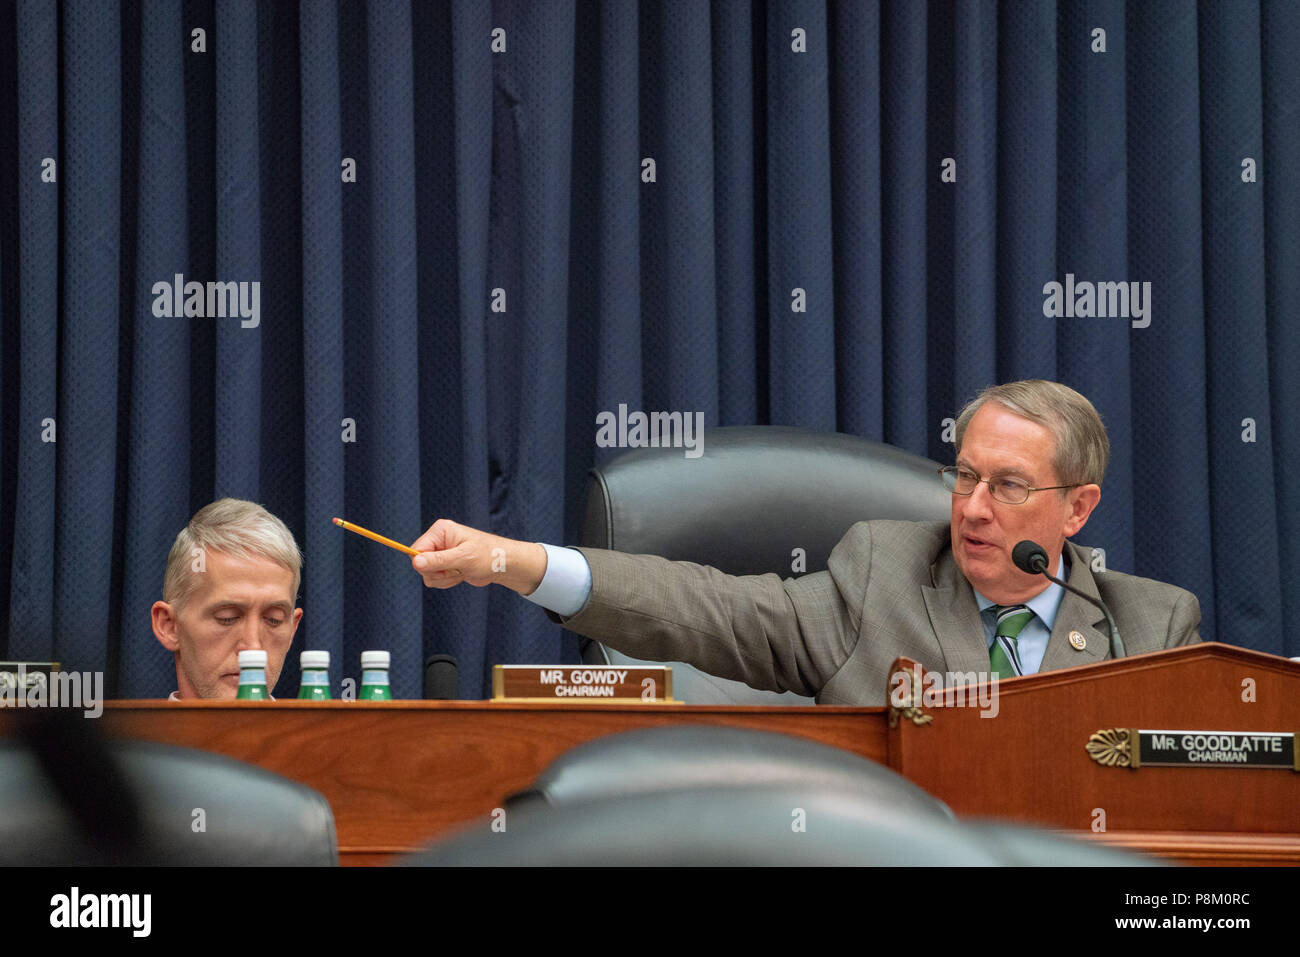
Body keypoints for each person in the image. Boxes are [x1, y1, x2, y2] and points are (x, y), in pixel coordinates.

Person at [407, 380, 1201, 704]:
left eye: (1009, 485)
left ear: (1078, 509)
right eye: (965, 476)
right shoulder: (883, 574)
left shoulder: (1150, 630)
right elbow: (711, 609)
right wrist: (513, 560)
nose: (975, 508)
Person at [152, 498, 304, 700]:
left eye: (273, 619)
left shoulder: (332, 733)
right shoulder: (121, 732)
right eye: (227, 617)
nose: (253, 647)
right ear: (169, 626)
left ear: (292, 629)